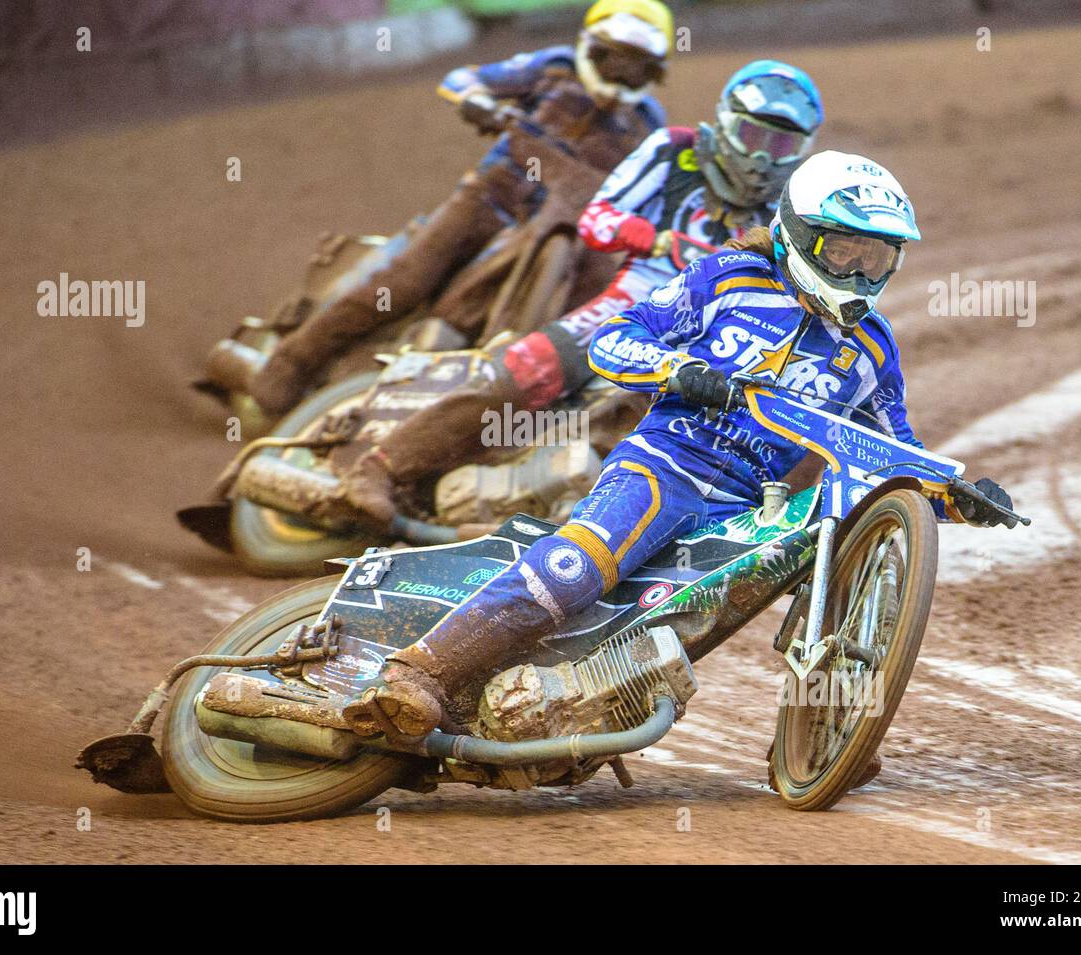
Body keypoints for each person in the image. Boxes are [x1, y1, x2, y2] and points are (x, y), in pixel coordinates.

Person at [339, 150, 1015, 744]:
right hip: (668, 463)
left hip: (753, 509)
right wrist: (676, 370)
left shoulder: (873, 347)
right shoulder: (724, 277)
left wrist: (960, 497)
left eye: (878, 258)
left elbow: (893, 449)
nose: (861, 273)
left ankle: (840, 727)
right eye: (845, 252)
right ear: (800, 235)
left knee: (840, 541)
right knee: (581, 568)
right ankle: (418, 672)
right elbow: (614, 338)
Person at [327, 61, 825, 531]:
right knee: (531, 368)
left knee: (697, 433)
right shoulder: (674, 150)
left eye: (782, 144)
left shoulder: (786, 211)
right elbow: (597, 217)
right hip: (639, 300)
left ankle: (579, 516)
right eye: (754, 136)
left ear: (802, 148)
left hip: (708, 338)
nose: (763, 156)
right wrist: (652, 239)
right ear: (725, 122)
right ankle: (380, 468)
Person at [248, 0, 675, 417]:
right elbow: (464, 78)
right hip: (492, 198)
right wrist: (477, 100)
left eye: (636, 66)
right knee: (406, 282)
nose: (622, 74)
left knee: (589, 312)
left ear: (654, 72)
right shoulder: (552, 69)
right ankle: (290, 364)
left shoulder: (648, 123)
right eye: (614, 60)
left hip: (569, 227)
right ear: (589, 47)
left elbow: (655, 183)